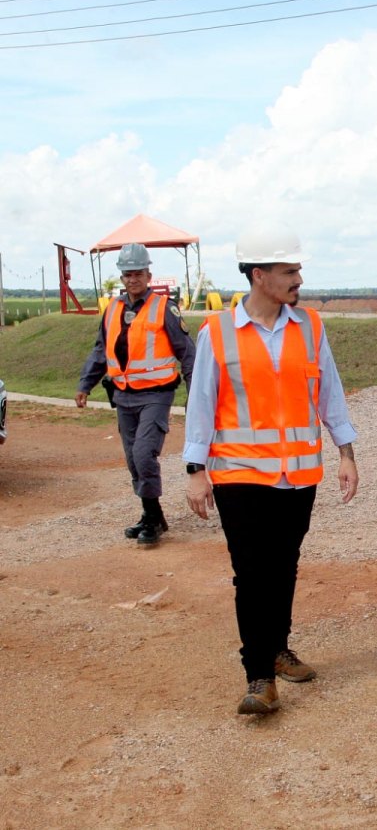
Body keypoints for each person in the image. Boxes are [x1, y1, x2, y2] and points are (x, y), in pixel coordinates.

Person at [183, 224, 359, 715]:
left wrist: (346, 452)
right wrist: (196, 468)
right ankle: (258, 675)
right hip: (239, 473)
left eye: (298, 269)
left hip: (298, 474)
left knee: (283, 567)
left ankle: (278, 649)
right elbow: (201, 404)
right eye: (289, 270)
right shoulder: (217, 333)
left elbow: (330, 394)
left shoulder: (311, 327)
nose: (298, 278)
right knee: (251, 573)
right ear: (260, 276)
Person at [76, 242, 195, 547]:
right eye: (127, 274)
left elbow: (187, 353)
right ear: (121, 277)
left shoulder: (164, 308)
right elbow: (101, 350)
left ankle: (153, 518)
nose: (132, 279)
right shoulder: (113, 309)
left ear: (148, 274)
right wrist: (85, 384)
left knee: (144, 453)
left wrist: (195, 394)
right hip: (123, 396)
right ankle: (151, 514)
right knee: (132, 459)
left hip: (156, 394)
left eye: (138, 273)